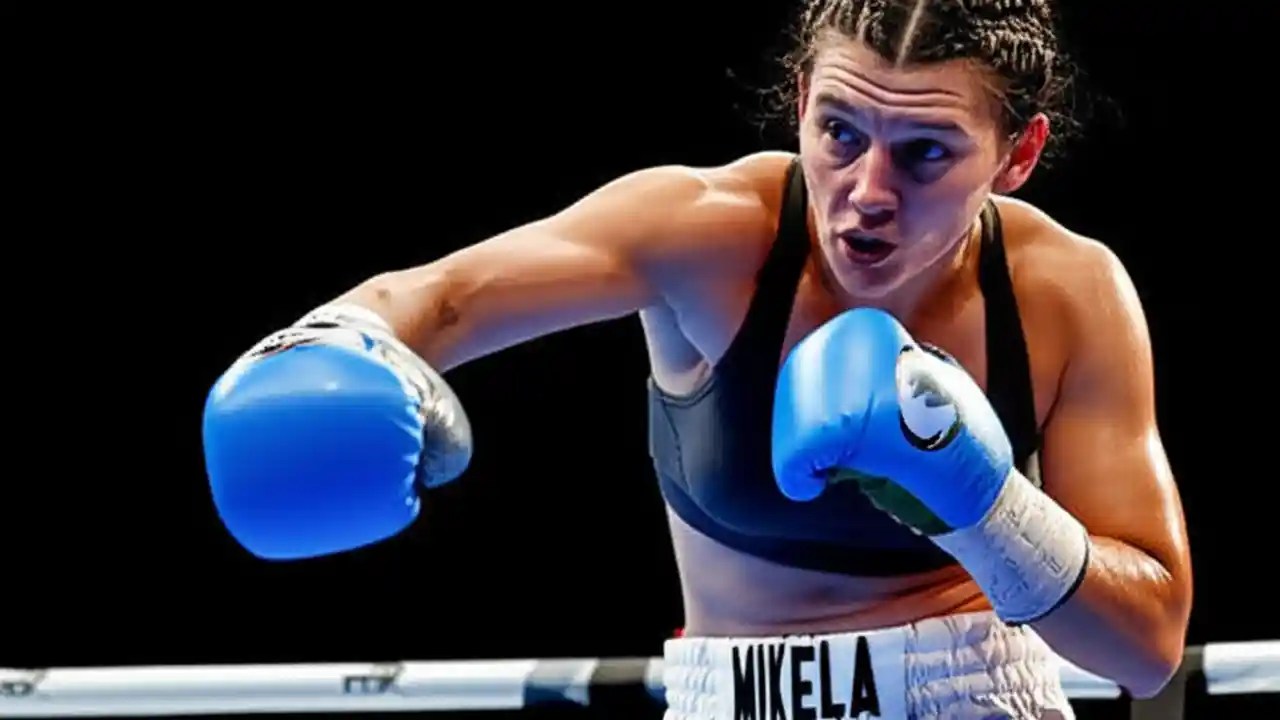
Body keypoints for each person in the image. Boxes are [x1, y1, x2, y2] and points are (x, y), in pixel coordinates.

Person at [201, 0, 1193, 716]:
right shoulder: (706, 234)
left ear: (1014, 156)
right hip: (729, 697)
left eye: (924, 152)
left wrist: (982, 505)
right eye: (837, 132)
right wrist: (334, 342)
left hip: (980, 696)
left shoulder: (1066, 293)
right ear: (799, 100)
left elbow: (1145, 652)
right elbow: (440, 298)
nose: (865, 190)